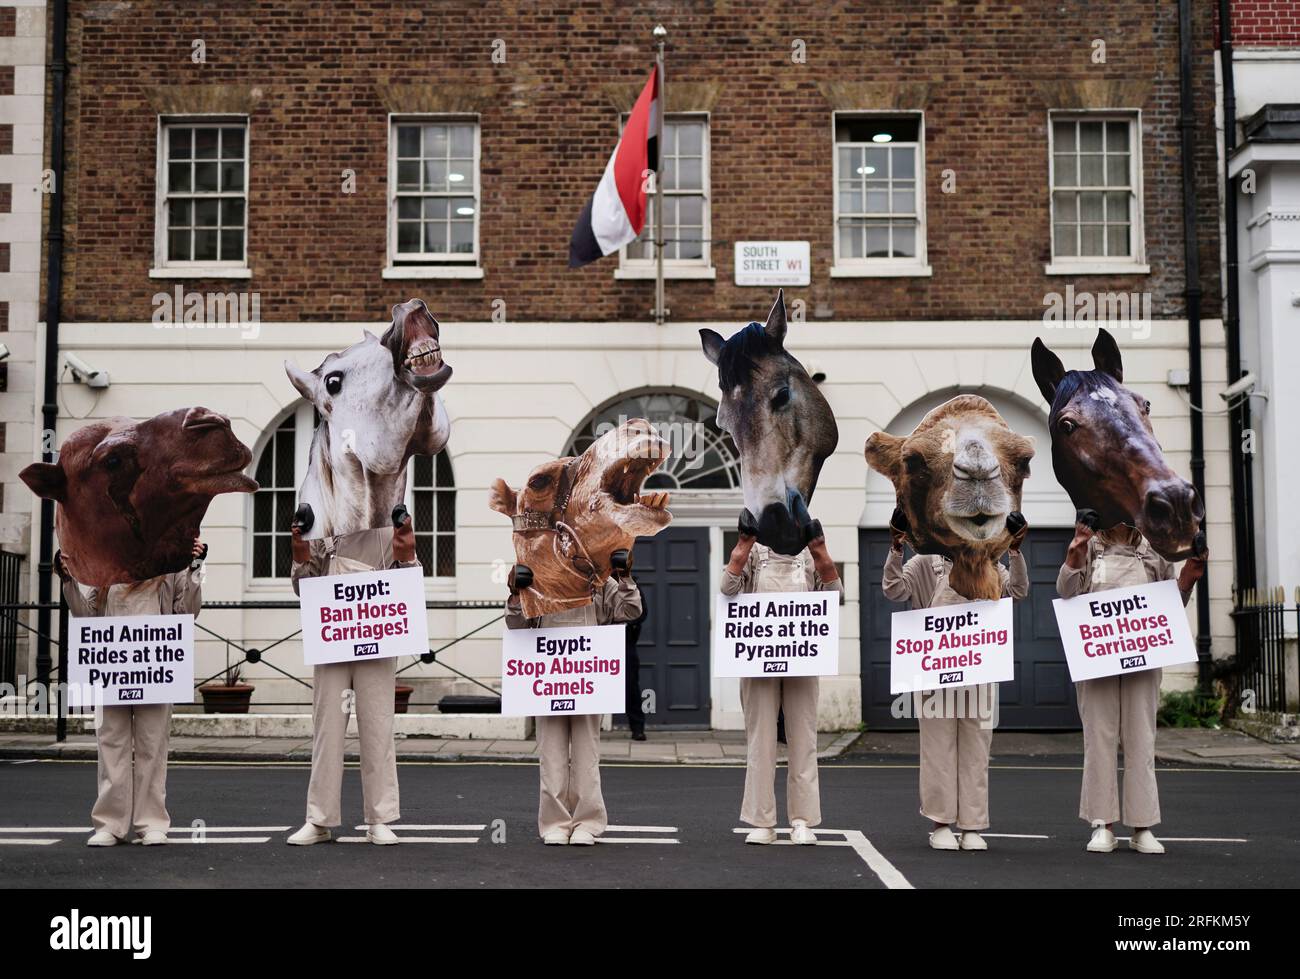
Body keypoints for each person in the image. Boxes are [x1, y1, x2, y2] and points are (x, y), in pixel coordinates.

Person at [1057, 514, 1206, 855]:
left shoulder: (1153, 550)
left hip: (1145, 658)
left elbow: (1169, 604)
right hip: (1097, 659)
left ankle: (1143, 827)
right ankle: (1102, 825)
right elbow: (1066, 591)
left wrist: (1188, 579)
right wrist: (1076, 548)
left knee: (1141, 740)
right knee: (1099, 740)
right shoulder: (1091, 545)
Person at [882, 510, 1028, 852]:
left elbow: (1018, 591)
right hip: (932, 670)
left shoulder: (990, 562)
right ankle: (940, 823)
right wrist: (895, 547)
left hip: (978, 670)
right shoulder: (924, 564)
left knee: (977, 749)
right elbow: (893, 590)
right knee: (937, 750)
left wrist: (1016, 551)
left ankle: (973, 826)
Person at [57, 538, 206, 847]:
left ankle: (152, 822)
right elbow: (86, 616)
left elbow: (188, 612)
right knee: (110, 741)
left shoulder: (171, 560)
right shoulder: (107, 560)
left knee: (152, 744)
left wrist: (194, 567)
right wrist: (68, 578)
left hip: (156, 665)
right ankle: (110, 824)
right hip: (111, 664)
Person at [286, 511, 419, 846]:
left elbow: (410, 587)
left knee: (377, 726)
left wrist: (407, 554)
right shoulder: (324, 525)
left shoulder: (390, 524)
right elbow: (304, 589)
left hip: (376, 638)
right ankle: (319, 819)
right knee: (327, 729)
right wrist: (301, 553)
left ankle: (380, 818)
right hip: (332, 636)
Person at [506, 557, 642, 845]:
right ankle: (555, 823)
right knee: (551, 754)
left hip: (586, 677)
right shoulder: (538, 576)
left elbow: (630, 610)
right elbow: (515, 623)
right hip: (549, 677)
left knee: (586, 754)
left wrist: (626, 577)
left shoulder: (599, 579)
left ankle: (587, 823)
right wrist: (516, 594)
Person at [722, 529, 843, 846]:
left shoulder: (808, 556)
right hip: (757, 658)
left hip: (802, 659)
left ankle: (803, 820)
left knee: (803, 740)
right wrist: (741, 549)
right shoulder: (754, 554)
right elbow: (727, 588)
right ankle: (762, 820)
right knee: (760, 741)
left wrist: (822, 554)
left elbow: (834, 596)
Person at [624, 578, 648, 741]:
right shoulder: (598, 582)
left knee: (630, 686)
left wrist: (625, 621)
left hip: (625, 642)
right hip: (600, 642)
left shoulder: (631, 584)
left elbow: (642, 612)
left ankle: (637, 727)